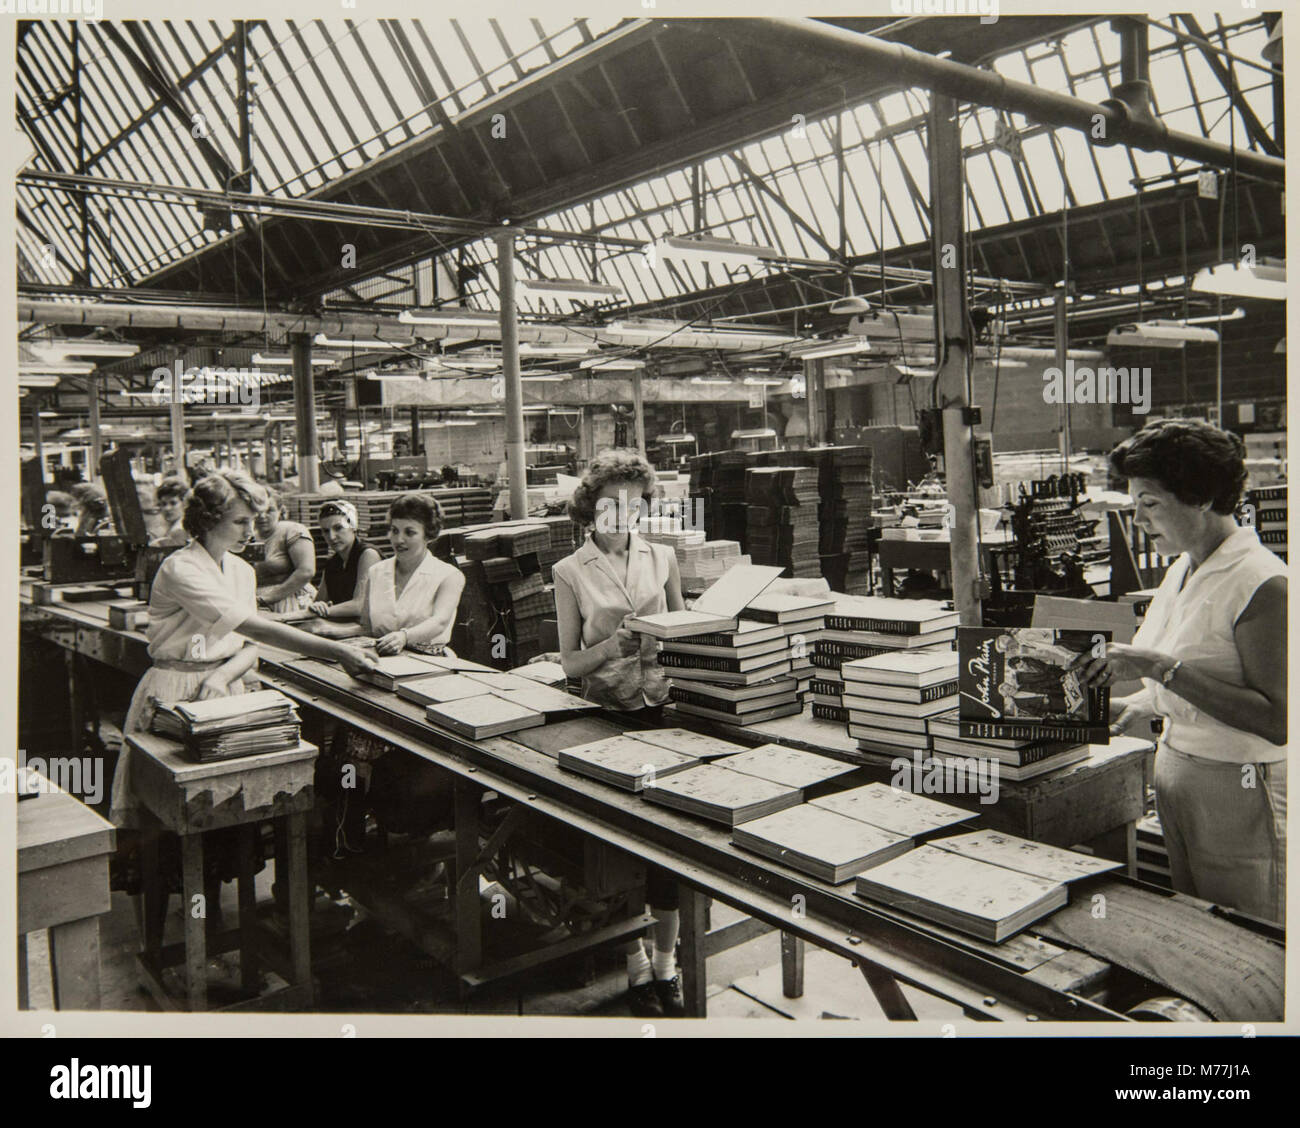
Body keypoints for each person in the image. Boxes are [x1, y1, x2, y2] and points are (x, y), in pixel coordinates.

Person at [113, 471, 378, 933]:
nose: (250, 532)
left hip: (225, 692)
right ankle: (164, 935)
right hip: (172, 695)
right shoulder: (181, 568)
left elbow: (249, 646)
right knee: (166, 824)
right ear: (208, 520)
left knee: (221, 818)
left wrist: (222, 674)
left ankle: (214, 921)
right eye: (240, 522)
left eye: (253, 521)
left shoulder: (240, 569)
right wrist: (337, 649)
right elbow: (253, 628)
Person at [1081, 420, 1286, 924]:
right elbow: (1193, 674)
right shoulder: (1185, 568)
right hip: (1178, 774)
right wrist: (1138, 704)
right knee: (1200, 925)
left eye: (1150, 504)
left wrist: (1157, 668)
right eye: (1135, 505)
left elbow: (1280, 720)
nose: (1139, 520)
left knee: (1247, 936)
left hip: (1238, 789)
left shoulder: (1264, 584)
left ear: (1201, 496)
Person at [551, 450, 687, 1018]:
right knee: (616, 851)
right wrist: (612, 645)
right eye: (611, 503)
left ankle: (667, 966)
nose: (623, 513)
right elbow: (569, 665)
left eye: (634, 503)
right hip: (607, 719)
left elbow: (686, 630)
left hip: (663, 713)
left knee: (670, 852)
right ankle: (635, 968)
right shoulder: (569, 571)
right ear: (591, 508)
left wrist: (676, 645)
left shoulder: (664, 558)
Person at [322, 494, 467, 856]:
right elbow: (368, 626)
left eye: (409, 532)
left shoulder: (449, 575)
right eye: (393, 530)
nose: (399, 539)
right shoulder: (377, 572)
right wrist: (323, 636)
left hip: (431, 671)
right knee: (351, 752)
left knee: (416, 760)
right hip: (381, 668)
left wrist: (405, 636)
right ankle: (349, 845)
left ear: (429, 534)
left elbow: (438, 621)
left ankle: (412, 830)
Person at [309, 500, 381, 612]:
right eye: (326, 531)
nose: (331, 537)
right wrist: (317, 607)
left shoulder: (368, 555)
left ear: (353, 527)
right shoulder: (332, 563)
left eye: (338, 528)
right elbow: (318, 602)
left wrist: (325, 611)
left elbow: (360, 605)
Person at [253, 488, 317, 613]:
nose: (262, 516)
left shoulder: (292, 530)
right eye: (258, 510)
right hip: (256, 601)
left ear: (280, 511)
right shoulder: (249, 537)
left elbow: (306, 571)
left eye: (269, 510)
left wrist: (268, 598)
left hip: (289, 600)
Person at [152, 477, 191, 547]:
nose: (167, 508)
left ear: (184, 503)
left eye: (173, 503)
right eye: (163, 504)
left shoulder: (180, 530)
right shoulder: (171, 526)